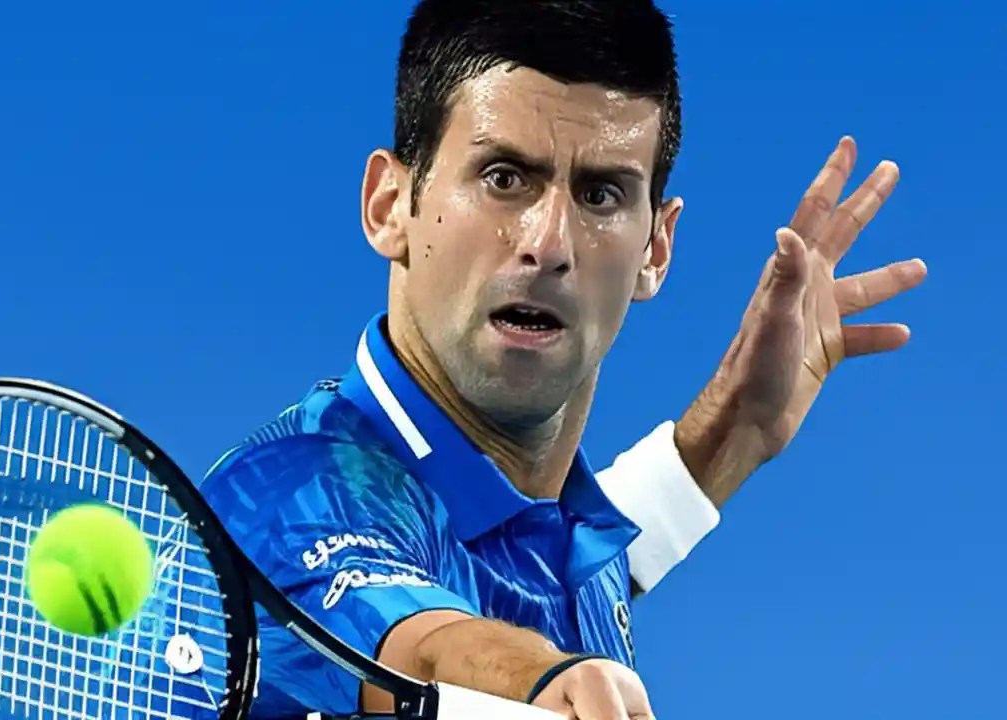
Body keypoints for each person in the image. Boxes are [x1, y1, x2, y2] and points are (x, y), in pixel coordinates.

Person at [198, 1, 927, 718]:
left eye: (601, 194)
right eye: (504, 178)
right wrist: (545, 681)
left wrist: (738, 426)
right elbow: (419, 646)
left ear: (655, 250)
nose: (549, 243)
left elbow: (553, 563)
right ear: (391, 205)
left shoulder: (545, 532)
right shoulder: (284, 497)